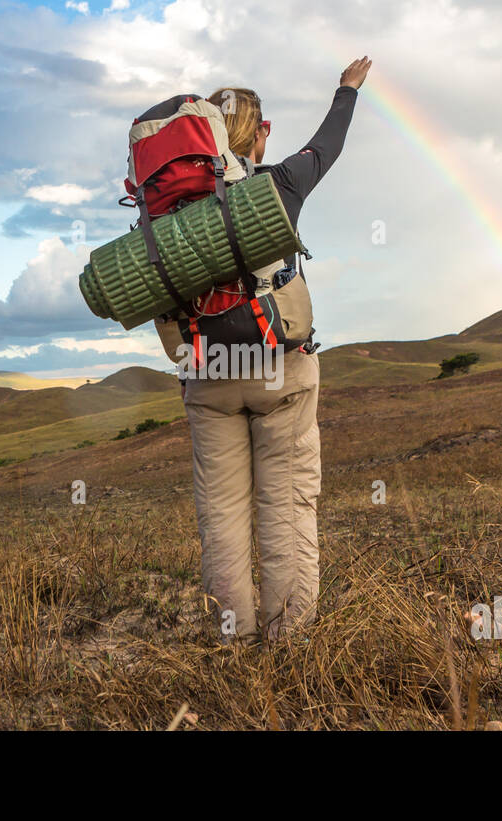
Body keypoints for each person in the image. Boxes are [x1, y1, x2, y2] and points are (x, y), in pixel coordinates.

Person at [173, 57, 371, 643]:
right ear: (258, 133)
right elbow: (327, 146)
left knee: (222, 519)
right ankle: (289, 648)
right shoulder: (279, 185)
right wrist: (346, 89)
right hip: (279, 371)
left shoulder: (175, 213)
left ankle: (233, 647)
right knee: (286, 508)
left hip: (209, 377)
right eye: (265, 127)